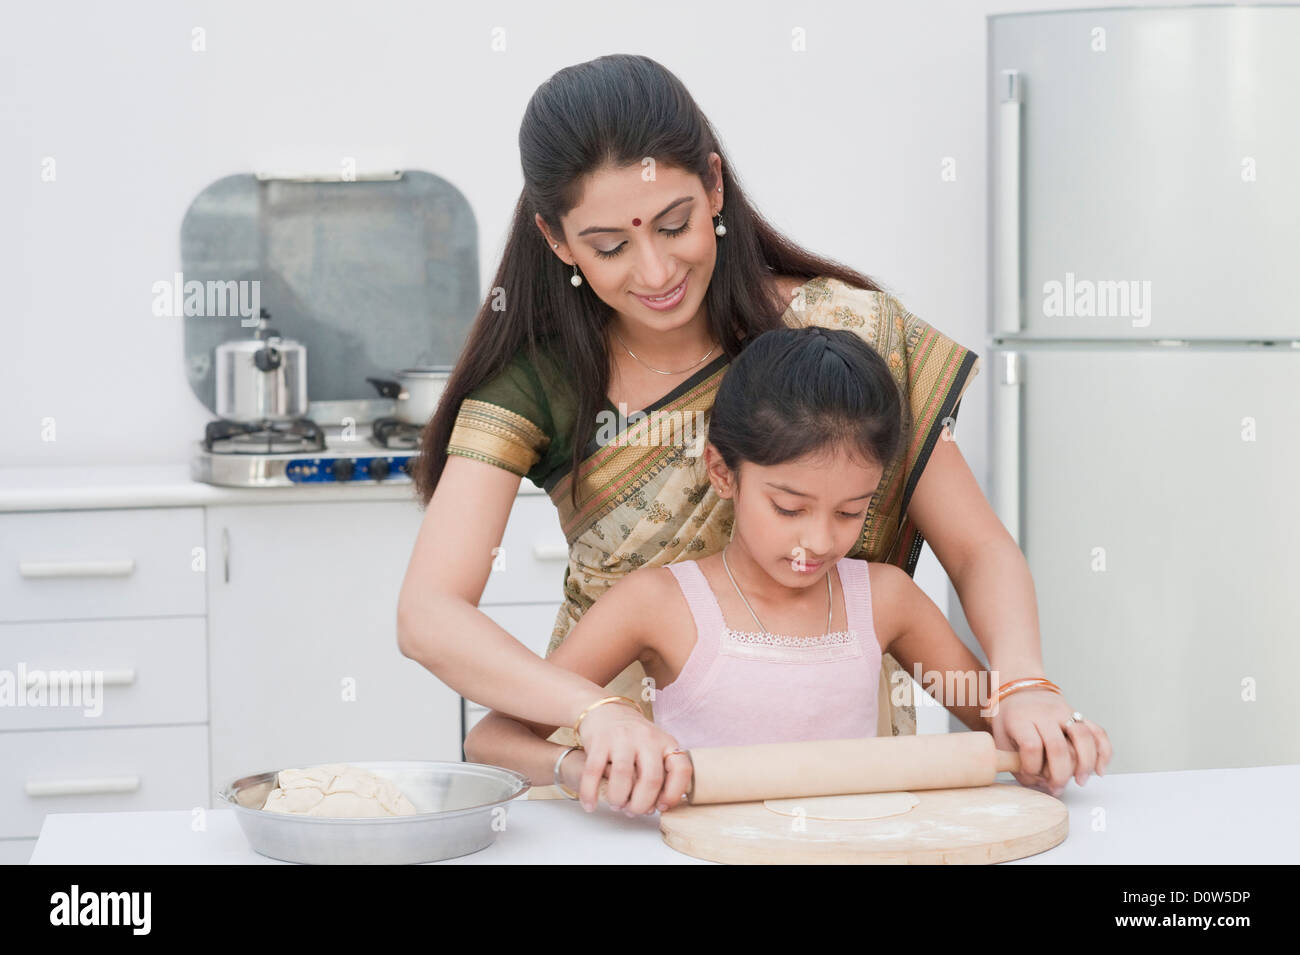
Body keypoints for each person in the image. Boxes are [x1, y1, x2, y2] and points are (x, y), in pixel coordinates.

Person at [398, 53, 1109, 813]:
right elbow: (429, 614)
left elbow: (977, 545)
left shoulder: (842, 332)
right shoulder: (537, 382)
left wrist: (1024, 682)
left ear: (713, 185)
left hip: (843, 789)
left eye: (674, 225)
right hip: (622, 786)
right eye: (610, 246)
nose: (655, 268)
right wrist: (591, 712)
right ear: (558, 239)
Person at [464, 326, 1036, 814]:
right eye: (788, 508)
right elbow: (492, 739)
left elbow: (998, 718)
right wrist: (575, 763)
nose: (818, 541)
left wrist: (1038, 715)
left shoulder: (886, 600)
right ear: (722, 471)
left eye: (849, 512)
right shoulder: (658, 605)